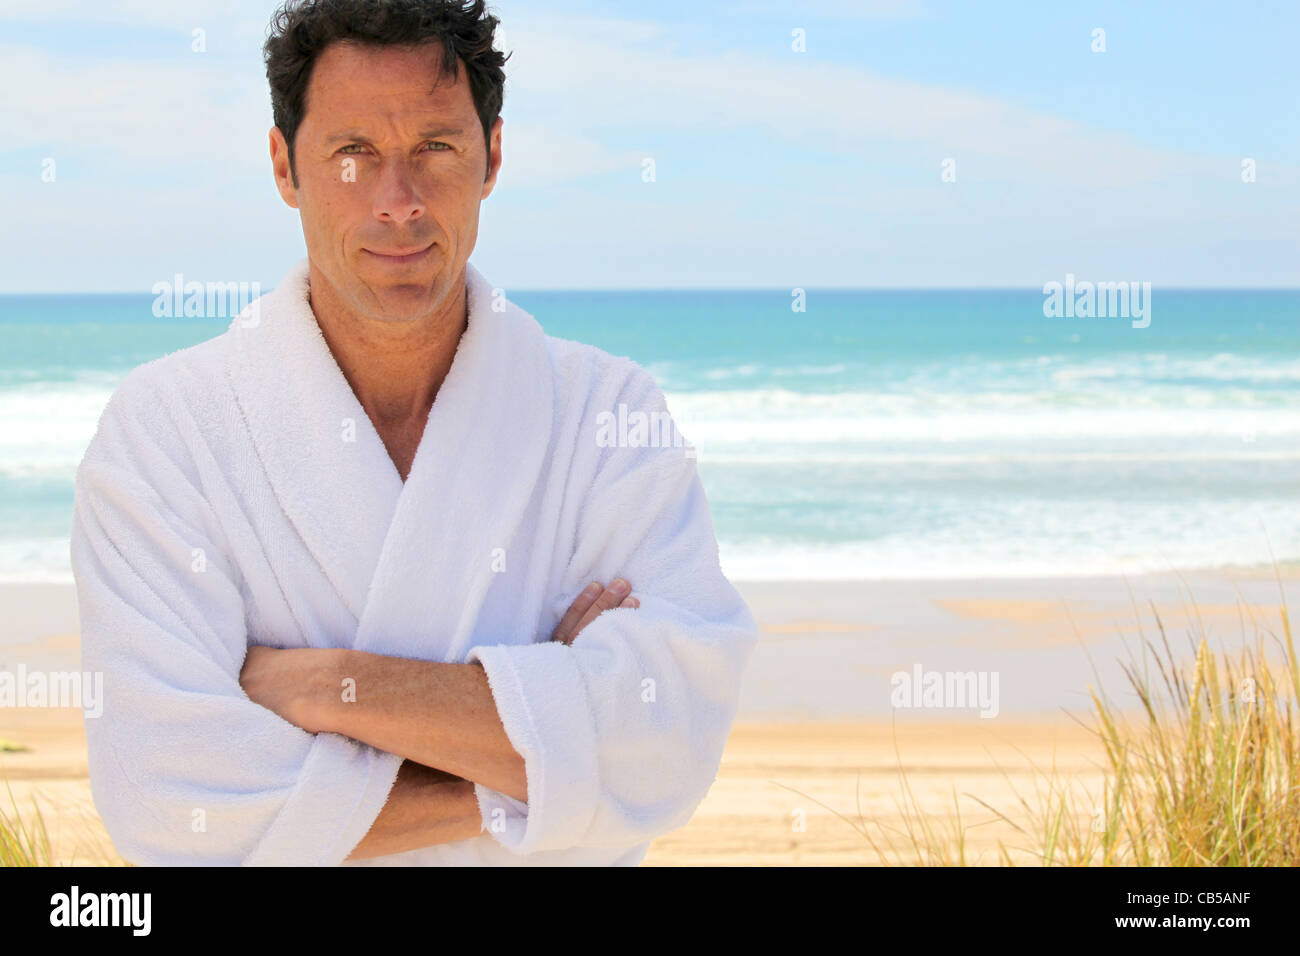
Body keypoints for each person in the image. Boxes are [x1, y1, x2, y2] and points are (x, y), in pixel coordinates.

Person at [69, 0, 757, 866]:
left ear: (492, 157)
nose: (398, 202)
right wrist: (545, 760)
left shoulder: (606, 417)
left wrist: (320, 688)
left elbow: (670, 739)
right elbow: (171, 803)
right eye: (353, 153)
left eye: (436, 148)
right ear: (284, 166)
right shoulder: (165, 437)